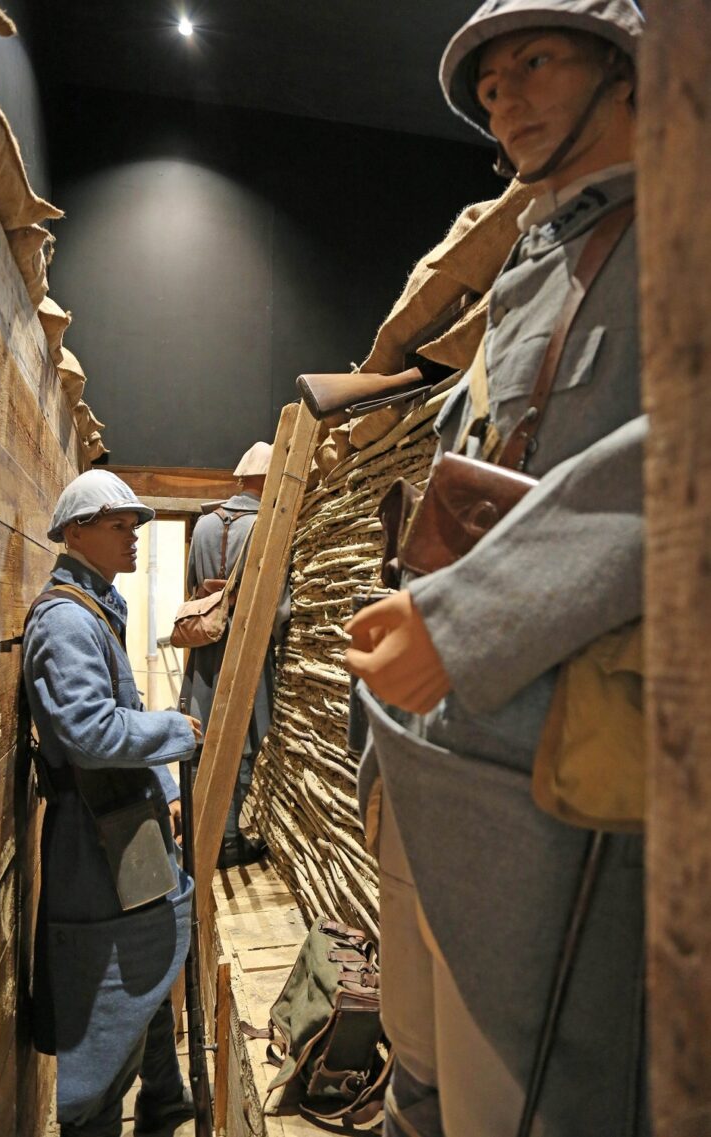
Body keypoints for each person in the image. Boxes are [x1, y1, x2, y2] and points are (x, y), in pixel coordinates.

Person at [346, 3, 648, 1136]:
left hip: (553, 807)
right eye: (486, 89)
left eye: (533, 60)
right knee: (420, 1092)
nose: (504, 97)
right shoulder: (538, 260)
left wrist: (467, 622)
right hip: (429, 777)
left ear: (623, 65)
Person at [22, 469, 202, 1137]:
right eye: (118, 526)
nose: (132, 539)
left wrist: (164, 789)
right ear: (76, 531)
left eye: (135, 528)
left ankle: (164, 1106)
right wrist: (174, 733)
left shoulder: (92, 607)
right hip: (92, 845)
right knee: (104, 1016)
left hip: (117, 830)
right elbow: (89, 732)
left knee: (142, 983)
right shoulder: (68, 621)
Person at [180, 441, 289, 867]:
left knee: (199, 738)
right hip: (245, 650)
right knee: (242, 742)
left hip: (206, 650)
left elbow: (193, 584)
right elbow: (279, 607)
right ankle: (224, 844)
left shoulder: (205, 524)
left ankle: (194, 835)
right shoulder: (267, 525)